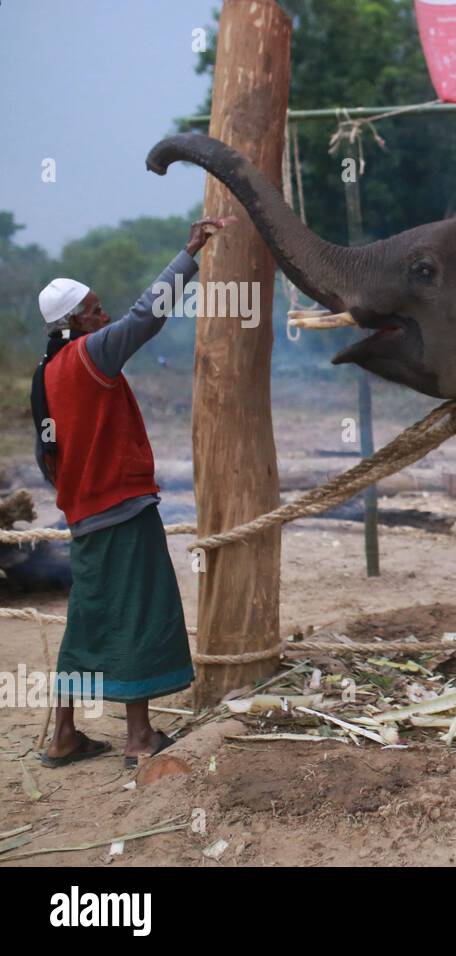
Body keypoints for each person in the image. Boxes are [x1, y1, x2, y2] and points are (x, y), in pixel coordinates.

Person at [31, 217, 228, 768]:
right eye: (94, 310)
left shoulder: (44, 375)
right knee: (141, 610)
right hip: (120, 510)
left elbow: (47, 458)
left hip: (85, 515)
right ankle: (140, 738)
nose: (104, 315)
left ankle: (64, 736)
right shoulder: (89, 356)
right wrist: (188, 254)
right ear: (73, 321)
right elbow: (148, 316)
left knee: (90, 617)